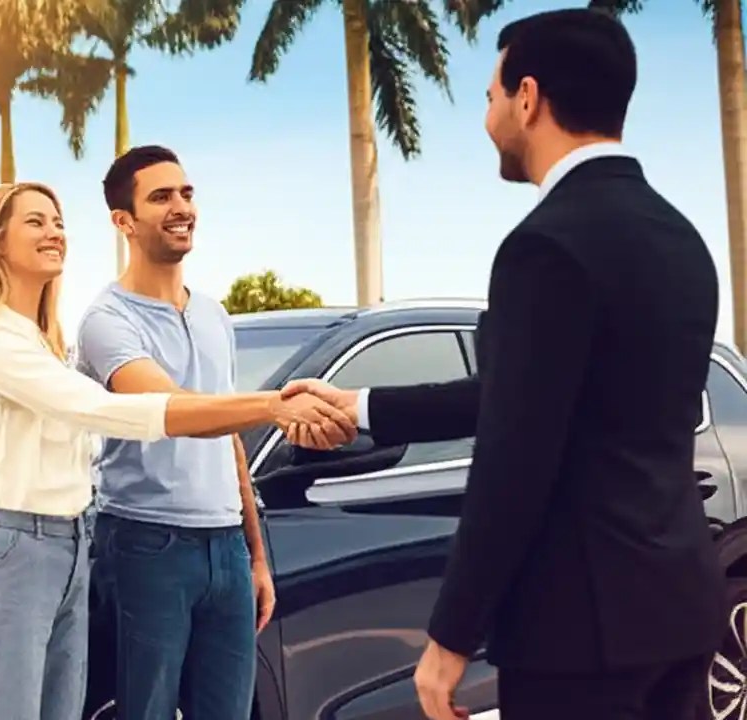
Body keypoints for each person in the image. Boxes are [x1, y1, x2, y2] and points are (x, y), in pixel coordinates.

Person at [285, 9, 725, 720]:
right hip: (678, 607)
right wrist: (361, 407)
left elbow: (514, 457)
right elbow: (526, 397)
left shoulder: (544, 246)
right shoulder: (681, 238)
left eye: (490, 98)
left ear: (528, 96)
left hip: (580, 629)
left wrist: (452, 635)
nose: (488, 118)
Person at [0, 180, 355, 720]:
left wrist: (253, 548)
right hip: (14, 548)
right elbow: (102, 410)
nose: (55, 232)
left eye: (59, 222)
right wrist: (272, 406)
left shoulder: (44, 343)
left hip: (69, 544)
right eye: (35, 222)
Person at [75, 145, 272, 720]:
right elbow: (171, 408)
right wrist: (275, 406)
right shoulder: (106, 321)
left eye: (186, 193)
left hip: (225, 551)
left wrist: (254, 556)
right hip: (146, 546)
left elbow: (227, 433)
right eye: (161, 197)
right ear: (124, 221)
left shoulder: (214, 315)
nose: (180, 206)